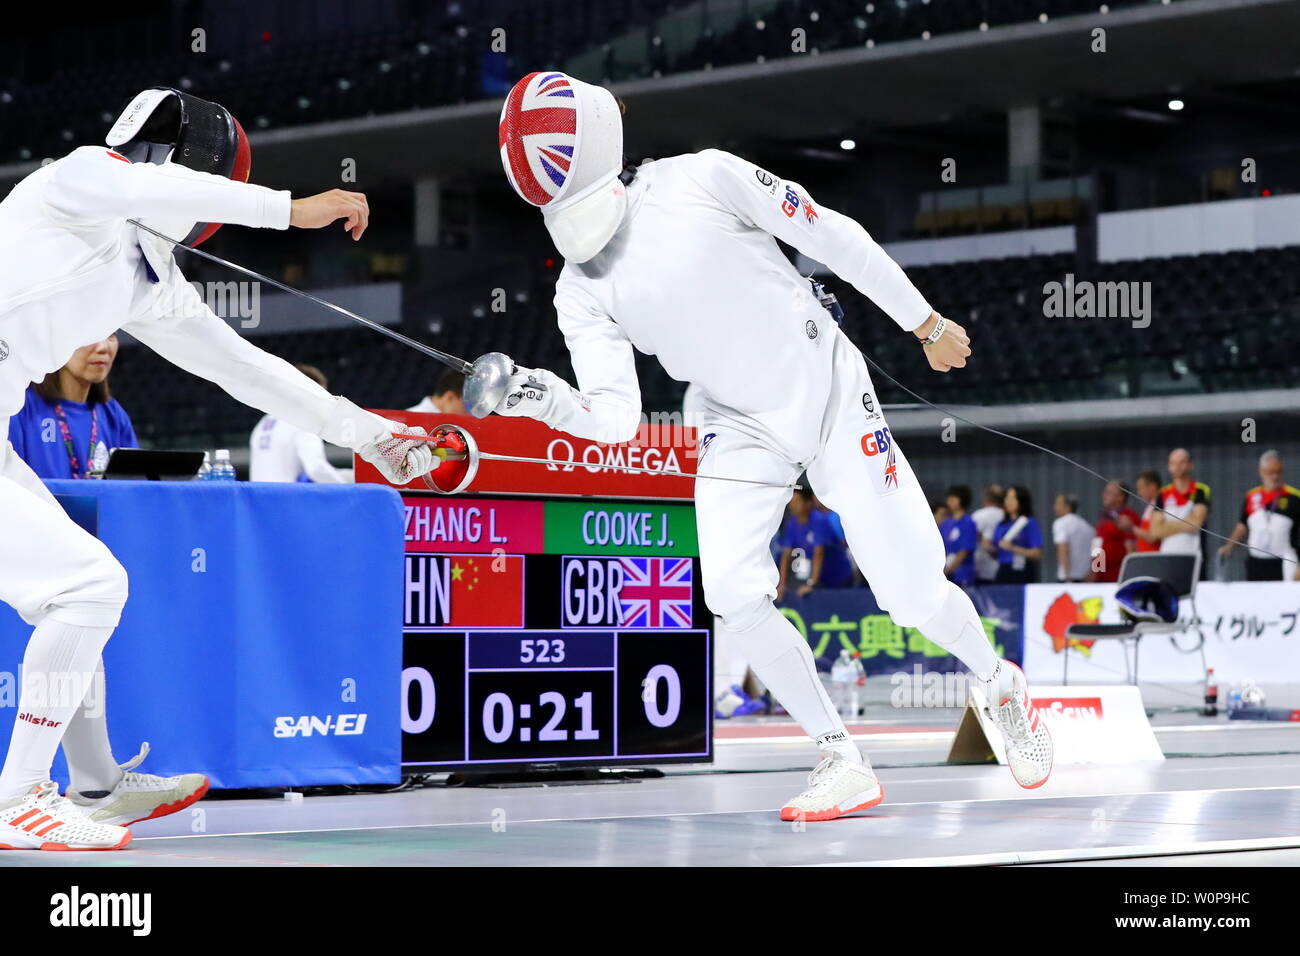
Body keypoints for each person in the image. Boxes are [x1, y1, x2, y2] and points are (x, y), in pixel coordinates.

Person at [490, 71, 1052, 819]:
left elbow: (826, 230)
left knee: (911, 594)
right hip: (738, 423)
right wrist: (540, 396)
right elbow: (618, 420)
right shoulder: (580, 288)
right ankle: (838, 756)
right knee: (725, 586)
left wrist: (924, 323)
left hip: (826, 388)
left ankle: (998, 682)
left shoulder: (704, 177)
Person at [0, 87, 439, 850]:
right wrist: (290, 210)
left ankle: (97, 783)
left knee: (69, 595)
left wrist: (369, 435)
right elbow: (140, 185)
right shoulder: (74, 184)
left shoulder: (147, 280)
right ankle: (16, 800)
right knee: (87, 587)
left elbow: (249, 371)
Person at [8, 335, 138, 479]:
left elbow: (133, 486)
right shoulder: (18, 407)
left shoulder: (114, 414)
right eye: (91, 335)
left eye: (111, 334)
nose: (103, 347)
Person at [250, 364, 352, 483]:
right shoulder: (302, 421)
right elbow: (316, 468)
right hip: (288, 498)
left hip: (260, 496)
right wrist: (346, 490)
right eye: (321, 396)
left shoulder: (264, 421)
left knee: (348, 475)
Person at [1218, 450, 1300, 581]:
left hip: (1285, 561)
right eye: (1270, 472)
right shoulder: (1251, 496)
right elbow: (1242, 527)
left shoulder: (1295, 497)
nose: (1275, 477)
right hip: (1256, 561)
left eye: (1278, 472)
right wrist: (1229, 546)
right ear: (1261, 472)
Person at [777, 486, 854, 599]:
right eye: (791, 501)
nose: (792, 505)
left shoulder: (819, 521)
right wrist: (781, 584)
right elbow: (786, 554)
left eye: (797, 501)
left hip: (837, 576)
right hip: (816, 576)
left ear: (808, 503)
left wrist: (812, 584)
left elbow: (819, 554)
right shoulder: (791, 523)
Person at [1147, 448, 1210, 557]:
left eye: (1181, 462)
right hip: (1167, 554)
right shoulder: (1162, 493)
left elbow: (1196, 523)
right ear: (1168, 466)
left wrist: (1166, 525)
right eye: (1173, 463)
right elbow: (1155, 531)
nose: (1177, 466)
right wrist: (1186, 522)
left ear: (1190, 465)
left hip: (1194, 555)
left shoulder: (1200, 490)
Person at [988, 486, 1043, 583]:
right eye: (1007, 498)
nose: (1008, 502)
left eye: (1012, 499)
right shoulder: (1001, 524)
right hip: (1004, 568)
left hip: (1022, 569)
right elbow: (995, 550)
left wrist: (1012, 548)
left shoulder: (1028, 522)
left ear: (1021, 501)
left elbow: (1036, 553)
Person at [1090, 480, 1140, 582]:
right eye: (1105, 492)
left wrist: (1130, 577)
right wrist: (1094, 570)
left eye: (1108, 492)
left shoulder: (1128, 517)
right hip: (1101, 578)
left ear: (1120, 497)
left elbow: (1131, 550)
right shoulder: (1104, 518)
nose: (1104, 495)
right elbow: (1098, 545)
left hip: (1118, 579)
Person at [939, 485, 978, 587]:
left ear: (961, 500)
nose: (949, 501)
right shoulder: (946, 523)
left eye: (953, 498)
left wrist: (948, 570)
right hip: (945, 571)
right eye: (949, 498)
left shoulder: (968, 523)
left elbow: (964, 550)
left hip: (962, 574)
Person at [1051, 492, 1094, 583]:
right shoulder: (1088, 527)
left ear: (1068, 506)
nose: (1055, 507)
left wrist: (1067, 576)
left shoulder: (1061, 523)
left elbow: (1063, 548)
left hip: (1068, 578)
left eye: (1058, 504)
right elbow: (1096, 551)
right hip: (1085, 578)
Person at [970, 484, 1005, 584]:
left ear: (985, 499)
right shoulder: (1006, 516)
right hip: (1002, 568)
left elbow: (969, 538)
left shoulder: (979, 516)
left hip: (980, 568)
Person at [1133, 470, 1163, 553]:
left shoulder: (1161, 505)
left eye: (1140, 488)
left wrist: (1132, 528)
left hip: (1155, 558)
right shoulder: (1150, 506)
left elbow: (1153, 537)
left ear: (1152, 486)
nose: (1139, 493)